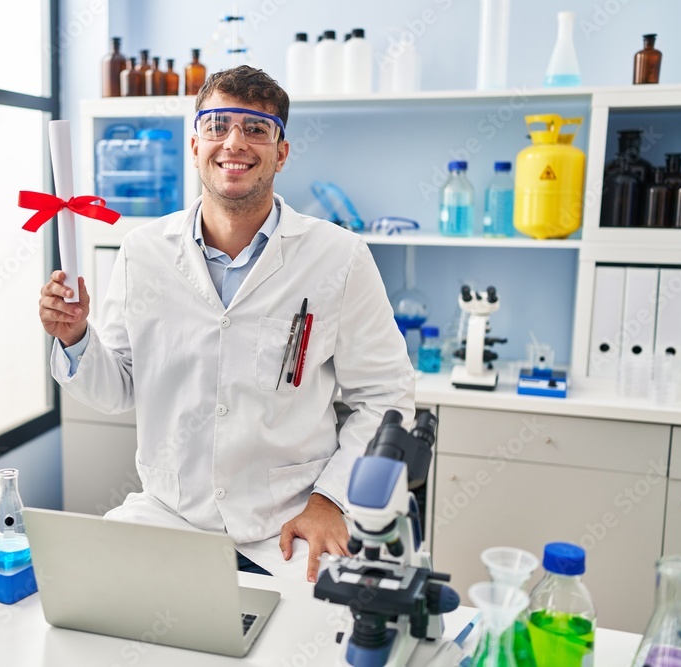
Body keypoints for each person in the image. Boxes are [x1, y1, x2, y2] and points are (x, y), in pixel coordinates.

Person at [39, 66, 414, 582]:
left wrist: (331, 500)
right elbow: (120, 387)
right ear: (195, 145)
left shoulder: (339, 257)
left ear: (281, 152)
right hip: (169, 514)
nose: (233, 142)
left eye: (256, 128)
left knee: (306, 645)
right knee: (90, 609)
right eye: (216, 126)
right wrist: (76, 338)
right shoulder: (142, 253)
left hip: (290, 523)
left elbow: (386, 395)